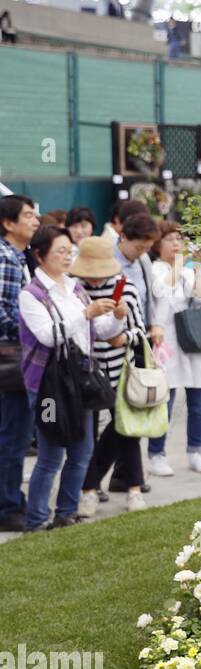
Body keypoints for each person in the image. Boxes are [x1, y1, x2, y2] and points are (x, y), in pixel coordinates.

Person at [18, 228, 124, 531]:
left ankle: (66, 514)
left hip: (80, 383)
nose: (67, 257)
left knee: (82, 452)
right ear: (40, 255)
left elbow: (97, 332)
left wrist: (115, 316)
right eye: (60, 251)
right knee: (51, 454)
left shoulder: (75, 288)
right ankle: (37, 520)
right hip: (47, 388)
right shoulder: (32, 294)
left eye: (69, 251)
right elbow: (48, 336)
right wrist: (86, 314)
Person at [79, 231, 152, 515]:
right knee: (87, 434)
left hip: (120, 369)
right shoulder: (76, 289)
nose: (95, 280)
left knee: (126, 428)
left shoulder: (126, 288)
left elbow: (140, 332)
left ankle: (132, 488)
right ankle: (89, 489)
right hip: (86, 371)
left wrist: (123, 338)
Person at [145, 221, 201, 477]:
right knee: (165, 401)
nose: (176, 244)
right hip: (167, 342)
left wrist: (196, 268)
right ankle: (157, 453)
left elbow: (200, 298)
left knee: (197, 401)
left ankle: (196, 450)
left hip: (192, 340)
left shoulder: (183, 269)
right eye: (170, 239)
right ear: (157, 244)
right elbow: (162, 288)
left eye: (179, 239)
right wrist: (181, 263)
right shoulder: (154, 268)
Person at [0, 194, 40, 531]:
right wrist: (31, 327)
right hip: (11, 358)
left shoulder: (21, 257)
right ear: (8, 223)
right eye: (28, 215)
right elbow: (3, 311)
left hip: (18, 355)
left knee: (15, 435)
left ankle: (12, 500)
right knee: (13, 436)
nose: (35, 220)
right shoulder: (6, 258)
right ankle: (8, 507)